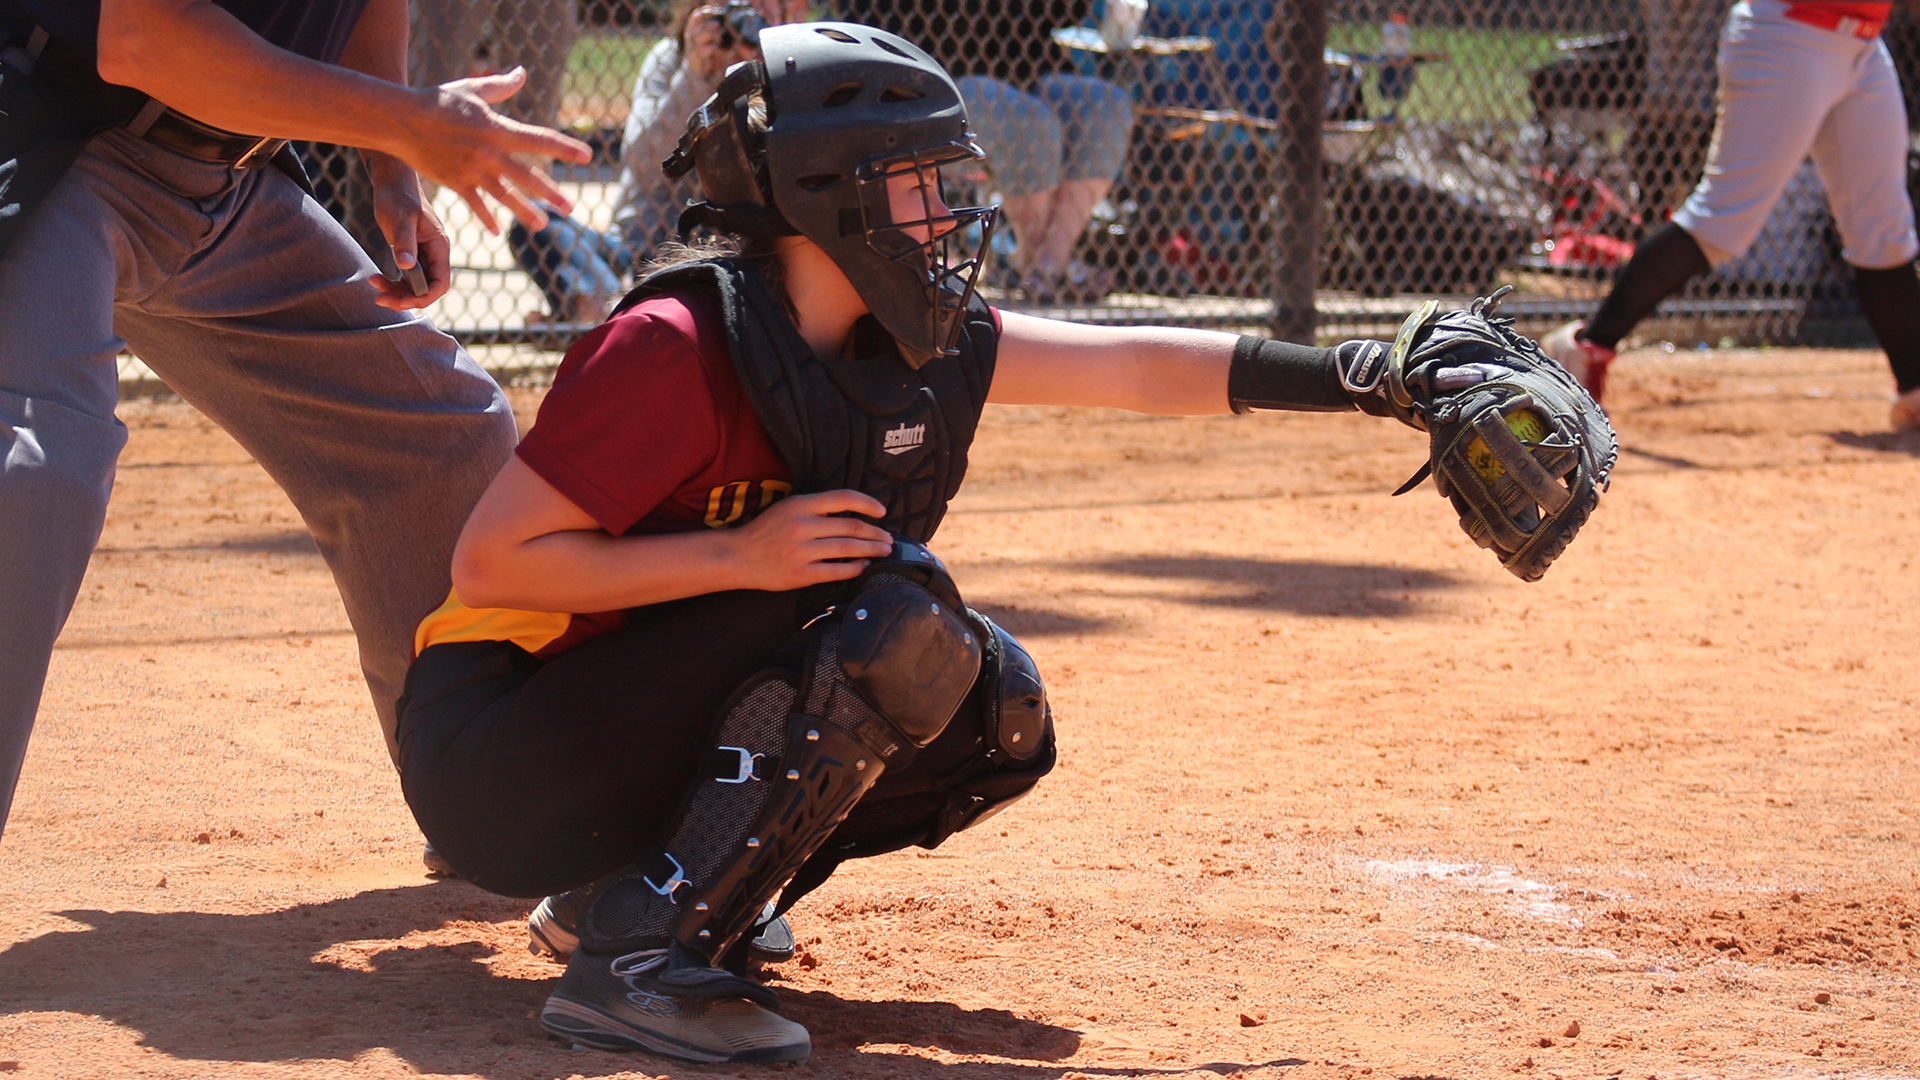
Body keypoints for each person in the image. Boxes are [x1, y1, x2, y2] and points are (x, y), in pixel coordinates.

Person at [391, 22, 1605, 1064]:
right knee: (892, 616)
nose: (949, 209)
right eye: (917, 179)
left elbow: (1130, 363)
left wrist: (1368, 375)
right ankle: (636, 973)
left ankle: (647, 901)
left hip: (603, 739)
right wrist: (740, 558)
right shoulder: (672, 345)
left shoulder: (905, 333)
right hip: (499, 740)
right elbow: (492, 566)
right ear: (827, 195)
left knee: (992, 712)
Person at [0, 0, 594, 840]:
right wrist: (411, 119)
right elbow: (142, 39)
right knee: (35, 472)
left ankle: (486, 812)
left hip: (225, 184)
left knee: (440, 436)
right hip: (48, 134)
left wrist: (395, 162)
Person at [1540, 0, 1920, 428]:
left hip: (1863, 44)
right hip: (1789, 35)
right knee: (1722, 221)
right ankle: (1586, 347)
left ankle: (1914, 392)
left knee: (1884, 230)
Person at [507, 0, 811, 325]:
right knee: (537, 221)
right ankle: (609, 303)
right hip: (639, 250)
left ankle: (617, 311)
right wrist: (697, 76)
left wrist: (757, 73)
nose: (748, 9)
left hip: (736, 251)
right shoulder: (673, 57)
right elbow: (646, 166)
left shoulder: (792, 67)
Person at [834, 0, 1135, 302]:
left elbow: (1061, 14)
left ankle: (1049, 261)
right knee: (1029, 120)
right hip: (930, 79)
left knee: (1105, 104)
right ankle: (1039, 266)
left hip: (1022, 68)